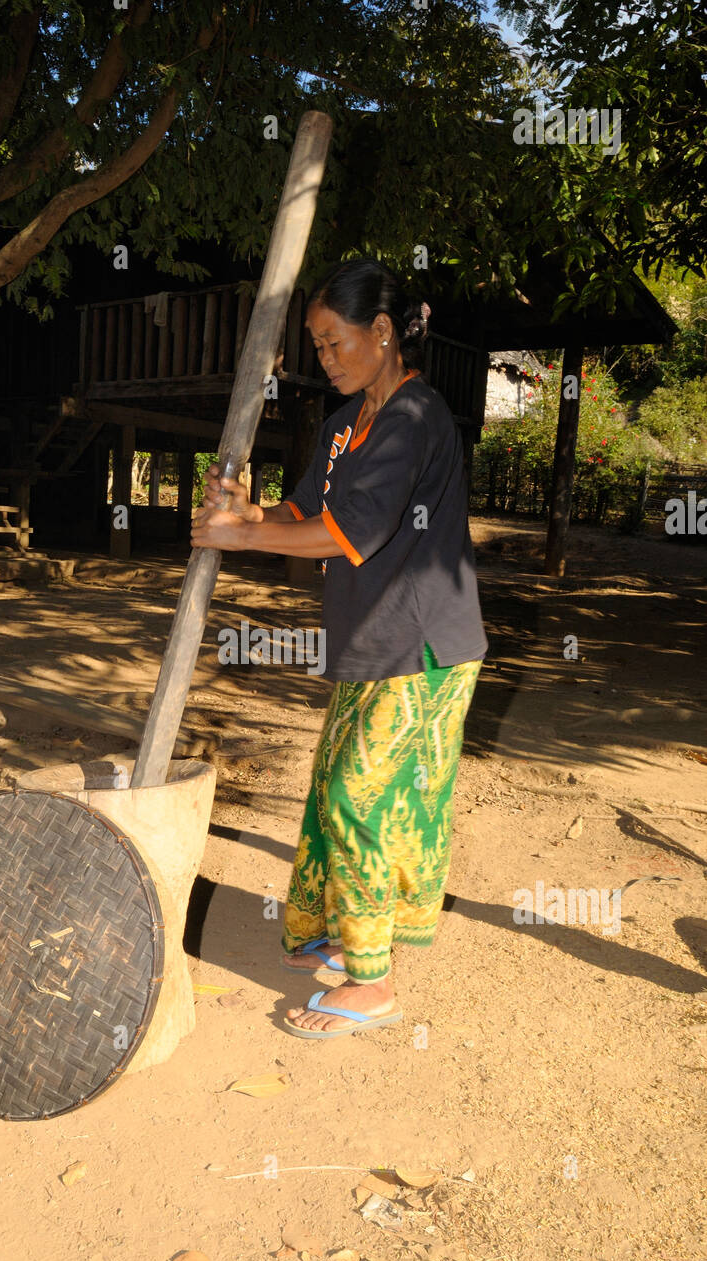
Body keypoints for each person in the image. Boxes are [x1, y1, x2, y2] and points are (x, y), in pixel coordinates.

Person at [191, 258, 487, 1038]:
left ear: (382, 332)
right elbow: (305, 507)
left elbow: (349, 532)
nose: (324, 359)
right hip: (369, 639)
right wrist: (251, 515)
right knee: (332, 791)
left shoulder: (413, 418)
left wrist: (238, 539)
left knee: (365, 798)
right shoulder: (342, 425)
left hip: (424, 646)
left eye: (333, 342)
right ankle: (331, 929)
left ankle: (371, 981)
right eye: (316, 346)